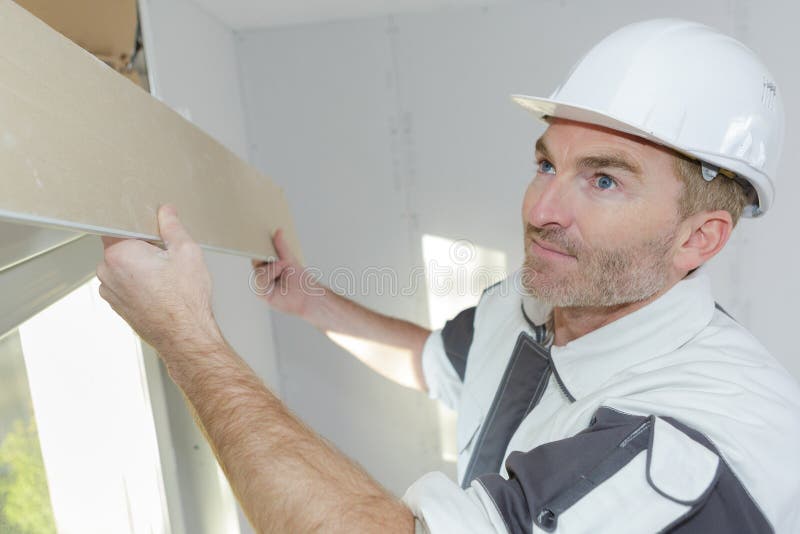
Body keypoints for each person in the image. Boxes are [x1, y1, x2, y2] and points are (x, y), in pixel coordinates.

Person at [96, 18, 800, 533]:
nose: (540, 209)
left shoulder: (683, 448)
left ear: (698, 238)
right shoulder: (534, 304)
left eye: (605, 181)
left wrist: (186, 338)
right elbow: (433, 360)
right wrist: (311, 302)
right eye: (547, 164)